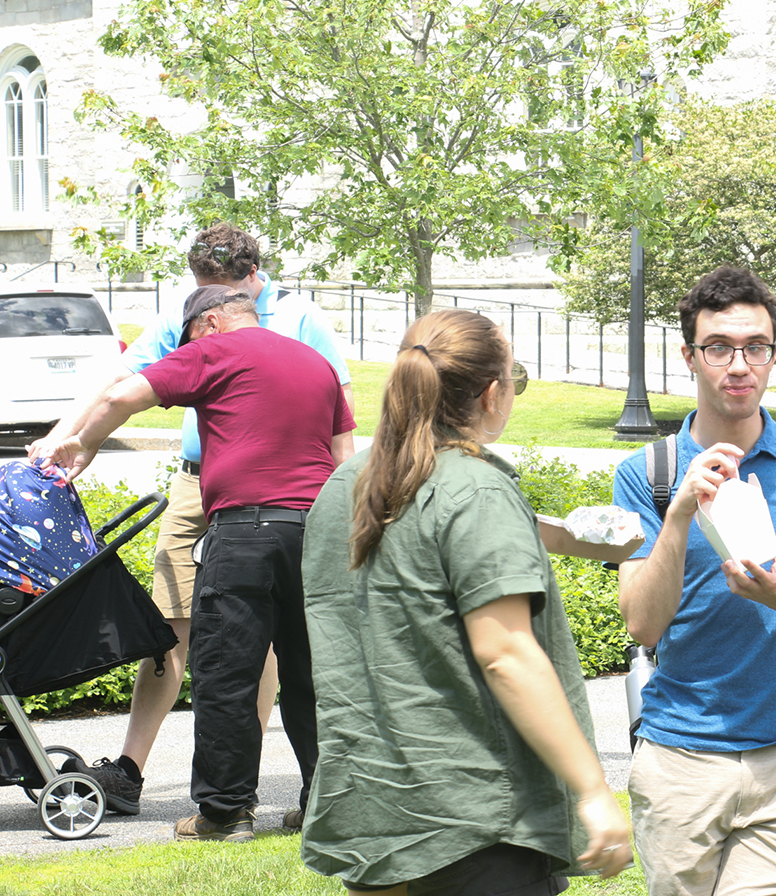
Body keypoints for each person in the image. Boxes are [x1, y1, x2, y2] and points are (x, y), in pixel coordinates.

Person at [27, 221, 352, 817]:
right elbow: (343, 451)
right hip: (244, 497)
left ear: (241, 290)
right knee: (211, 635)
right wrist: (60, 437)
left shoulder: (289, 323)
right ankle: (309, 801)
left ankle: (230, 804)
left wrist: (84, 445)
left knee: (234, 658)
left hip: (252, 510)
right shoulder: (263, 341)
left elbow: (121, 398)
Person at [299, 309, 630, 894]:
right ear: (492, 393)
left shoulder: (344, 485)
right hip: (475, 819)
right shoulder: (476, 490)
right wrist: (593, 790)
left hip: (371, 810)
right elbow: (505, 653)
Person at [611, 266, 776, 896]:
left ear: (774, 355)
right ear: (689, 356)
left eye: (756, 347)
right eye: (719, 348)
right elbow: (642, 624)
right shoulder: (647, 473)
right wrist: (680, 512)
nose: (739, 366)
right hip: (679, 755)